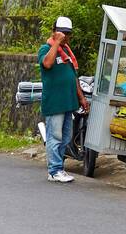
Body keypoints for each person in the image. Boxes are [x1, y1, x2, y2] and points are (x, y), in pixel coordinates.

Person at [38, 16, 89, 183]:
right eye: (63, 33)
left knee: (66, 138)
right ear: (55, 32)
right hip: (55, 102)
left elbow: (73, 76)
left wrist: (81, 97)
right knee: (55, 136)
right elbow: (47, 64)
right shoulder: (46, 49)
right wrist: (56, 43)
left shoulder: (67, 52)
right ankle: (54, 171)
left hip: (69, 101)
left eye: (68, 34)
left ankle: (58, 168)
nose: (66, 37)